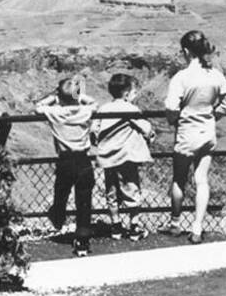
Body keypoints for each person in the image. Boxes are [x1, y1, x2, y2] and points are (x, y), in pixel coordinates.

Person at [164, 30, 226, 244]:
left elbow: (171, 106)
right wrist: (214, 115)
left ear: (186, 51)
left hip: (187, 132)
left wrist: (174, 120)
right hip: (207, 131)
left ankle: (175, 223)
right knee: (201, 180)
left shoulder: (181, 77)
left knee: (179, 179)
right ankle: (197, 226)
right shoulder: (215, 75)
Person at [37, 75, 98, 256]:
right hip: (84, 161)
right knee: (84, 201)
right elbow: (94, 103)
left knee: (61, 193)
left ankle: (58, 217)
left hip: (65, 161)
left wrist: (55, 97)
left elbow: (38, 107)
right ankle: (82, 240)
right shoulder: (86, 111)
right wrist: (80, 97)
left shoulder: (55, 112)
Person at [91, 73, 155, 241]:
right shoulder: (131, 109)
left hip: (108, 158)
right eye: (134, 92)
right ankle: (134, 227)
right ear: (127, 94)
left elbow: (93, 130)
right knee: (132, 190)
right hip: (127, 158)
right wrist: (150, 136)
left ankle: (116, 226)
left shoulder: (104, 109)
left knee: (111, 192)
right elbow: (146, 128)